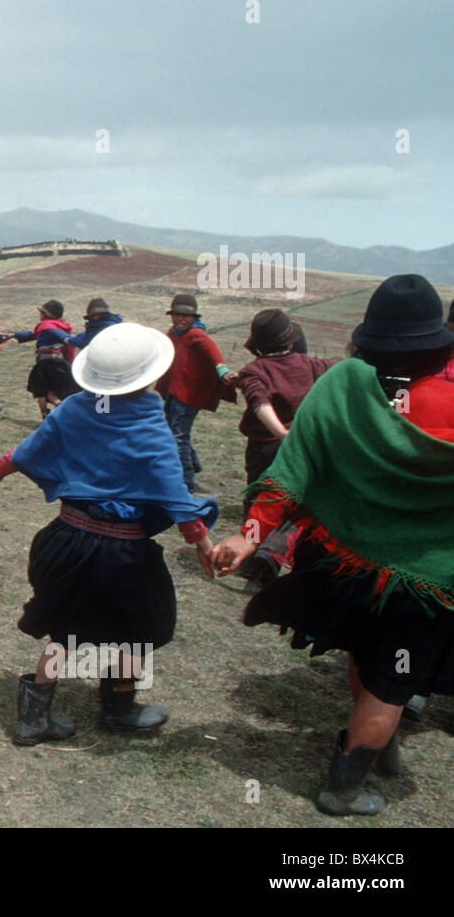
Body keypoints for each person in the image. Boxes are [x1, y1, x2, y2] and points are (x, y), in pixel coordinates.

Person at [213, 275, 454, 817]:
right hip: (424, 580)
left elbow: (292, 472)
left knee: (364, 653)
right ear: (438, 341)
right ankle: (344, 786)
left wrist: (249, 537)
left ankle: (378, 740)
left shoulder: (342, 385)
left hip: (343, 564)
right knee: (393, 683)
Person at [0, 323, 218, 744]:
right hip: (125, 554)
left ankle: (33, 719)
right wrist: (202, 540)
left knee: (65, 629)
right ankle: (119, 707)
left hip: (66, 540)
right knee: (143, 628)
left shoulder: (75, 408)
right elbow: (174, 494)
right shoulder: (153, 429)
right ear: (151, 376)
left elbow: (23, 453)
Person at [232, 309, 334, 588]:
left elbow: (259, 402)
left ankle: (252, 557)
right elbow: (341, 371)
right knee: (291, 503)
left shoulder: (254, 370)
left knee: (256, 500)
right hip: (301, 448)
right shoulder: (311, 364)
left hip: (264, 449)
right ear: (290, 339)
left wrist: (278, 433)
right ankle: (271, 554)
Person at [155, 293, 238, 491]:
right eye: (176, 315)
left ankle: (187, 481)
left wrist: (223, 370)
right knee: (176, 431)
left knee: (178, 435)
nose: (180, 319)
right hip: (175, 392)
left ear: (194, 318)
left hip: (189, 396)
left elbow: (214, 354)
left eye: (185, 316)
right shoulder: (173, 333)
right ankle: (193, 466)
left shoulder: (196, 335)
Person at [0, 299, 80, 418]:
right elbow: (33, 334)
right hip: (59, 364)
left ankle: (48, 416)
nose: (40, 314)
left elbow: (60, 336)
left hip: (46, 364)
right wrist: (13, 335)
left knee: (40, 392)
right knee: (52, 394)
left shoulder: (46, 326)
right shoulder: (57, 326)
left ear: (47, 314)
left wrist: (69, 339)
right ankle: (64, 412)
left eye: (42, 312)